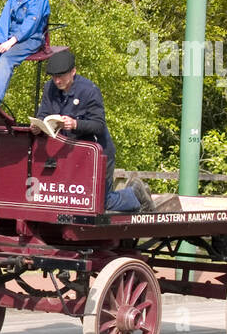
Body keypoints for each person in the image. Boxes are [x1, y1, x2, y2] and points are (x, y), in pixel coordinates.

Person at [39, 48, 153, 214]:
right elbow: (43, 113)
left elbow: (98, 125)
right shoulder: (49, 87)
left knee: (100, 203)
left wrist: (75, 124)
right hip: (70, 153)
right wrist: (38, 125)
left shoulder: (89, 90)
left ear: (73, 72)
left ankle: (135, 193)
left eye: (61, 76)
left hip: (98, 153)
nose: (57, 81)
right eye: (54, 76)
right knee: (74, 199)